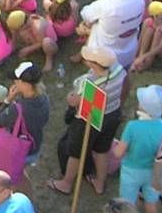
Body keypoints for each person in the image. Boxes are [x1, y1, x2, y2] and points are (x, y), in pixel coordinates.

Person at [48, 45, 126, 196]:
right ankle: (99, 183)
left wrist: (71, 96)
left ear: (94, 65)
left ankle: (66, 183)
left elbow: (74, 101)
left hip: (89, 119)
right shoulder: (118, 70)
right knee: (102, 149)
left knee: (76, 152)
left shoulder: (88, 82)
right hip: (111, 115)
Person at [113, 84, 162, 211]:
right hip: (155, 172)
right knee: (151, 202)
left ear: (145, 107)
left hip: (131, 171)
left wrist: (114, 146)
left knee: (127, 204)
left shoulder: (132, 126)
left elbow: (118, 153)